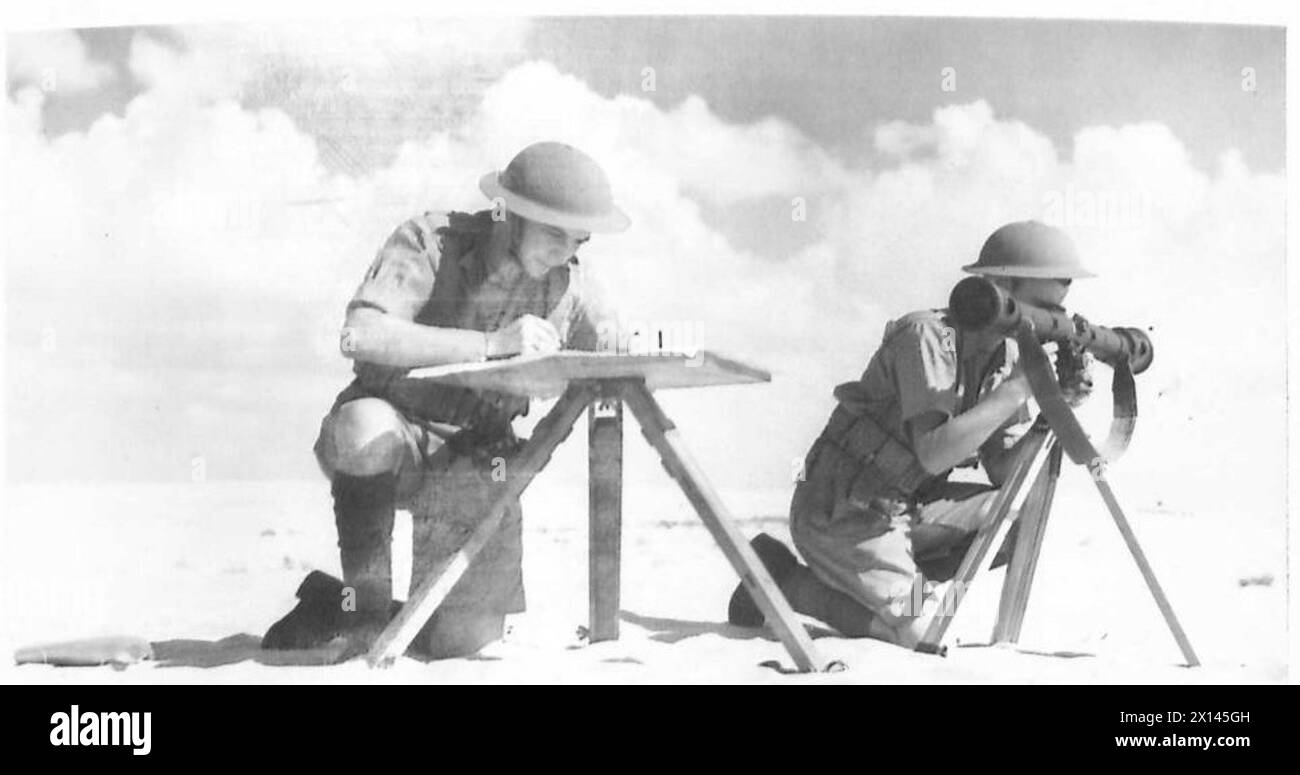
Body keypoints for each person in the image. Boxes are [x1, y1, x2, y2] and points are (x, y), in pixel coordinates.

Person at [263, 141, 629, 659]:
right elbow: (360, 334)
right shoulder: (431, 242)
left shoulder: (570, 278)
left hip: (479, 461)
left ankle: (334, 604)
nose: (564, 252)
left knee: (460, 644)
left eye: (579, 241)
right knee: (364, 428)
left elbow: (616, 348)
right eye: (553, 234)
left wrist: (616, 341)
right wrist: (491, 348)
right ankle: (364, 617)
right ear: (510, 216)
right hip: (400, 436)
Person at [727, 220, 1095, 648]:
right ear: (997, 285)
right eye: (1039, 309)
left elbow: (1006, 476)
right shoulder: (927, 336)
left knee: (1018, 518)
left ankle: (905, 586)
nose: (1047, 324)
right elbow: (934, 454)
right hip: (846, 510)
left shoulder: (1007, 356)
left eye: (1056, 313)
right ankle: (786, 582)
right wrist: (1024, 386)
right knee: (923, 636)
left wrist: (1050, 410)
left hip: (908, 507)